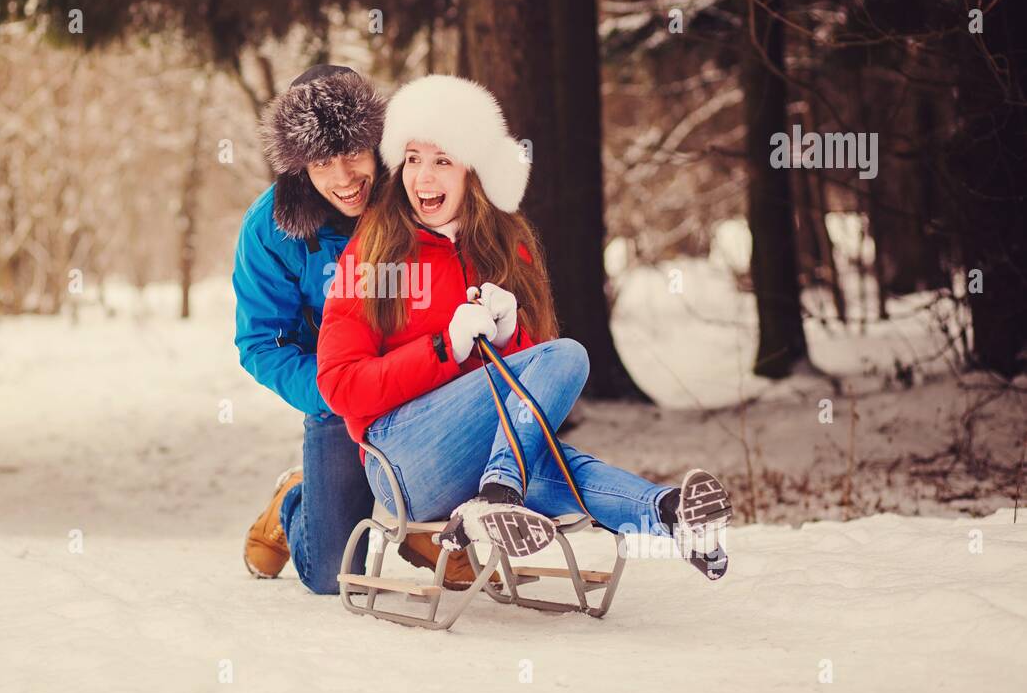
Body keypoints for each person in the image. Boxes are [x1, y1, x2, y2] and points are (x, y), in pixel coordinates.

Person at [316, 74, 732, 580]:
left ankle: (669, 515)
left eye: (443, 160)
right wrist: (443, 348)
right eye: (413, 159)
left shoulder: (506, 247)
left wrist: (512, 336)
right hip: (400, 460)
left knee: (545, 451)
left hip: (486, 453)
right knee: (567, 357)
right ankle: (499, 492)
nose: (423, 178)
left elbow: (533, 393)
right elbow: (339, 386)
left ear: (474, 171)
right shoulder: (376, 254)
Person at [235, 65, 492, 593]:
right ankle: (295, 497)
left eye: (353, 153)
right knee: (333, 575)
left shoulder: (414, 195)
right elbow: (262, 342)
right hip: (340, 397)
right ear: (301, 164)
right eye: (323, 161)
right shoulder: (271, 228)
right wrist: (339, 392)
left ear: (378, 146)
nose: (344, 177)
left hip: (423, 381)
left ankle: (422, 521)